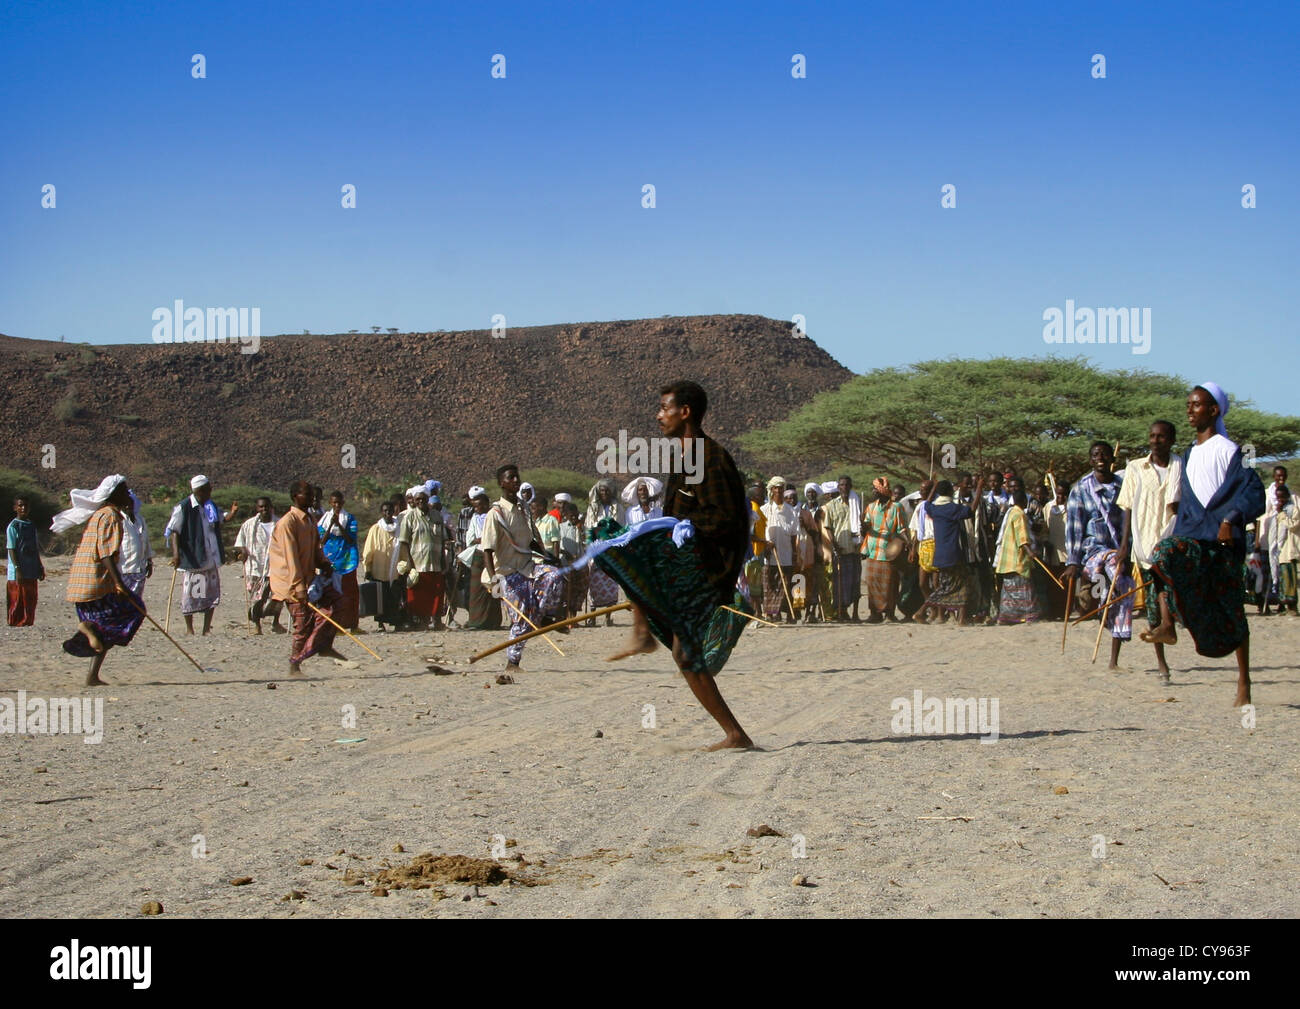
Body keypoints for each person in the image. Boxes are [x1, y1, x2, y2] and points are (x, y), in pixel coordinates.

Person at [599, 381, 753, 750]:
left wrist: (685, 530)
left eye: (664, 408)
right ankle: (735, 735)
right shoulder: (684, 458)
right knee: (620, 545)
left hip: (708, 566)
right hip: (687, 559)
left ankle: (642, 632)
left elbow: (728, 519)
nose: (658, 415)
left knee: (630, 556)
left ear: (684, 412)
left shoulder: (711, 458)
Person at [1141, 383, 1265, 706]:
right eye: (1188, 404)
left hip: (1223, 546)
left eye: (1196, 405)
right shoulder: (1188, 455)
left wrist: (1231, 518)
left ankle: (1244, 680)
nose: (1189, 410)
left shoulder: (1236, 451)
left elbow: (1254, 492)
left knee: (1233, 610)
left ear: (1213, 411)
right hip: (1195, 540)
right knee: (1163, 555)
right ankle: (1167, 624)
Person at [59, 475, 144, 686]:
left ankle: (92, 674)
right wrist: (119, 583)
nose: (128, 495)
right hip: (95, 583)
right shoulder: (111, 517)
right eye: (124, 491)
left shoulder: (99, 515)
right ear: (114, 494)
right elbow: (106, 554)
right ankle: (85, 628)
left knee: (103, 629)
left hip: (83, 583)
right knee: (134, 609)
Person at [1116, 421, 1183, 679]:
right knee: (1154, 605)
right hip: (1145, 542)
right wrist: (1124, 544)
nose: (1156, 441)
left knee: (1169, 592)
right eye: (1152, 436)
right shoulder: (1135, 468)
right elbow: (1127, 507)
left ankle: (1170, 626)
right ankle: (1162, 663)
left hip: (1173, 538)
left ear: (1171, 440)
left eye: (1162, 437)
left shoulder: (1181, 466)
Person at [1063, 443, 1132, 669]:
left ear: (1112, 457)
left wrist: (1129, 552)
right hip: (1093, 552)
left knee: (1123, 593)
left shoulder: (1123, 487)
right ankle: (1098, 596)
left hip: (1120, 552)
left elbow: (1130, 524)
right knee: (1112, 576)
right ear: (1090, 460)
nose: (1100, 457)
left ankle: (1114, 659)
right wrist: (1073, 561)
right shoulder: (1081, 489)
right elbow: (1074, 527)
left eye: (1104, 454)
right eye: (1095, 455)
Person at [269, 480, 345, 675]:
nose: (312, 497)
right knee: (302, 623)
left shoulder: (310, 519)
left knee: (337, 603)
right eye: (307, 494)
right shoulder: (288, 523)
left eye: (312, 494)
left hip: (309, 578)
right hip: (291, 582)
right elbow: (290, 557)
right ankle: (295, 664)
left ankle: (324, 644)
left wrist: (324, 563)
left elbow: (315, 547)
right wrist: (299, 587)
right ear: (296, 496)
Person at [482, 465, 543, 672]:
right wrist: (493, 579)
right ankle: (512, 662)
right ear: (502, 483)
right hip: (507, 573)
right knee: (520, 617)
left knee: (532, 612)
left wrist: (550, 557)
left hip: (527, 568)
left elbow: (530, 541)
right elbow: (487, 549)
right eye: (511, 478)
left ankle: (548, 617)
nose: (516, 480)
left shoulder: (524, 509)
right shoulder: (496, 513)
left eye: (517, 476)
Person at [165, 475, 224, 635]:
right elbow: (174, 531)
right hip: (193, 557)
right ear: (200, 490)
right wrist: (176, 555)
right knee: (191, 594)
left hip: (210, 556)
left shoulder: (211, 506)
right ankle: (189, 629)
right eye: (208, 489)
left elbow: (219, 521)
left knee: (211, 594)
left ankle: (206, 628)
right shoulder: (183, 507)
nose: (211, 491)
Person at [922, 476, 985, 625]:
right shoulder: (952, 508)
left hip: (940, 555)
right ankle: (962, 619)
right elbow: (971, 511)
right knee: (963, 585)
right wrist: (979, 490)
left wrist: (933, 488)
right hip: (953, 553)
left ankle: (921, 612)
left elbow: (926, 504)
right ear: (950, 492)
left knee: (944, 587)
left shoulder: (935, 509)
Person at [397, 487, 449, 631]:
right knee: (419, 593)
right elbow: (404, 542)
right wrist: (409, 562)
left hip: (435, 561)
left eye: (423, 498)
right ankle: (419, 621)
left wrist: (443, 559)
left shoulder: (437, 516)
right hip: (418, 562)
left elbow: (443, 539)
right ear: (413, 500)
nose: (420, 501)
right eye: (417, 499)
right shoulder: (410, 517)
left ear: (428, 499)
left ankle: (436, 620)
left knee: (436, 592)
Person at [233, 496, 284, 634]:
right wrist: (243, 553)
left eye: (266, 506)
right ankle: (257, 626)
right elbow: (241, 543)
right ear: (257, 508)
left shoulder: (280, 524)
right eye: (261, 507)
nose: (264, 509)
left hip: (275, 566)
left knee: (277, 596)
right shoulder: (249, 525)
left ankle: (275, 622)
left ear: (271, 507)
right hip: (255, 567)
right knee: (257, 598)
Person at [994, 481, 1042, 624]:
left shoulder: (1010, 512)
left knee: (1009, 589)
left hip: (1008, 558)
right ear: (1023, 501)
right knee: (1024, 587)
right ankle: (1028, 615)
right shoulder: (1020, 514)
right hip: (1017, 558)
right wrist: (1030, 551)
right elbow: (1022, 536)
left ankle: (1007, 616)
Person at [860, 477, 904, 622]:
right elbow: (865, 529)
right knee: (872, 584)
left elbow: (902, 529)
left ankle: (889, 614)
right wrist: (862, 524)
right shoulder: (871, 507)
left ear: (881, 491)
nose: (873, 491)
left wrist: (906, 545)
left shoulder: (896, 508)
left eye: (875, 489)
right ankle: (875, 613)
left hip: (889, 551)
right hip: (873, 550)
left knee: (889, 584)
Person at [461, 487, 503, 630]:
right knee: (477, 590)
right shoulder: (474, 518)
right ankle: (477, 621)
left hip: (494, 554)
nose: (478, 509)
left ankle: (493, 621)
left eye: (480, 506)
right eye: (476, 507)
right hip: (479, 554)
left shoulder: (494, 515)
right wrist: (481, 539)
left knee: (493, 584)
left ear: (486, 504)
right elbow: (470, 539)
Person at [823, 475, 863, 621]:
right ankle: (841, 611)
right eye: (841, 485)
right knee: (840, 584)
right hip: (840, 551)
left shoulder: (856, 502)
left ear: (850, 486)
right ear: (838, 487)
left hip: (855, 550)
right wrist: (835, 546)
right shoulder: (831, 505)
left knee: (855, 582)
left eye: (846, 485)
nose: (844, 488)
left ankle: (855, 613)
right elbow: (828, 528)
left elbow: (861, 524)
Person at [319, 490, 360, 629]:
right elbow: (322, 541)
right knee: (334, 593)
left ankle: (352, 624)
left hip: (347, 561)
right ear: (330, 503)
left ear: (343, 503)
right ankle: (336, 624)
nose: (337, 505)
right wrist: (331, 525)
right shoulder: (324, 520)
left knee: (350, 592)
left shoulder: (349, 518)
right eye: (334, 502)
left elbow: (350, 539)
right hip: (331, 562)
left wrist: (340, 526)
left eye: (339, 502)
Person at [584, 478, 623, 623]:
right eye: (602, 490)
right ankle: (592, 616)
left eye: (607, 490)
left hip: (611, 547)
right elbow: (589, 527)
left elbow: (620, 526)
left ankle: (608, 616)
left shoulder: (617, 507)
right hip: (595, 548)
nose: (604, 492)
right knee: (593, 581)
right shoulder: (593, 508)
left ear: (611, 491)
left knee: (611, 580)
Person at [760, 477, 797, 624]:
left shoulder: (791, 511)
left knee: (785, 585)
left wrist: (795, 553)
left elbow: (794, 535)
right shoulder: (764, 510)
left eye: (781, 487)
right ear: (771, 490)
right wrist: (765, 544)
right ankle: (771, 614)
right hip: (769, 556)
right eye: (776, 488)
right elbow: (759, 533)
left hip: (786, 555)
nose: (779, 490)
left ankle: (786, 613)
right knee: (769, 586)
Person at [360, 500, 401, 631]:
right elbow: (369, 550)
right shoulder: (375, 529)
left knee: (393, 597)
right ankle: (380, 624)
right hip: (378, 569)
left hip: (394, 570)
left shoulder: (399, 528)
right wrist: (367, 568)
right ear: (382, 512)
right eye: (385, 511)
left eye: (390, 510)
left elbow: (403, 549)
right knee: (379, 597)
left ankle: (395, 622)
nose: (388, 513)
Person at [6, 496, 44, 626]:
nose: (23, 508)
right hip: (18, 569)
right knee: (17, 597)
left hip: (31, 567)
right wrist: (17, 569)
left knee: (30, 596)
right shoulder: (13, 526)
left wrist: (40, 565)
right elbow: (11, 548)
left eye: (25, 506)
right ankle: (16, 621)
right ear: (15, 508)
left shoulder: (31, 525)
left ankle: (28, 621)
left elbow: (35, 547)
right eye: (20, 505)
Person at [1274, 485, 1298, 615]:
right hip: (1280, 549)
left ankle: (1293, 606)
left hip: (1290, 548)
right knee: (1283, 577)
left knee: (1291, 577)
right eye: (1278, 497)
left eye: (1283, 497)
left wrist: (1282, 514)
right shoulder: (1278, 511)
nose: (1280, 500)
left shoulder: (1293, 509)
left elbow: (1293, 525)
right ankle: (1284, 606)